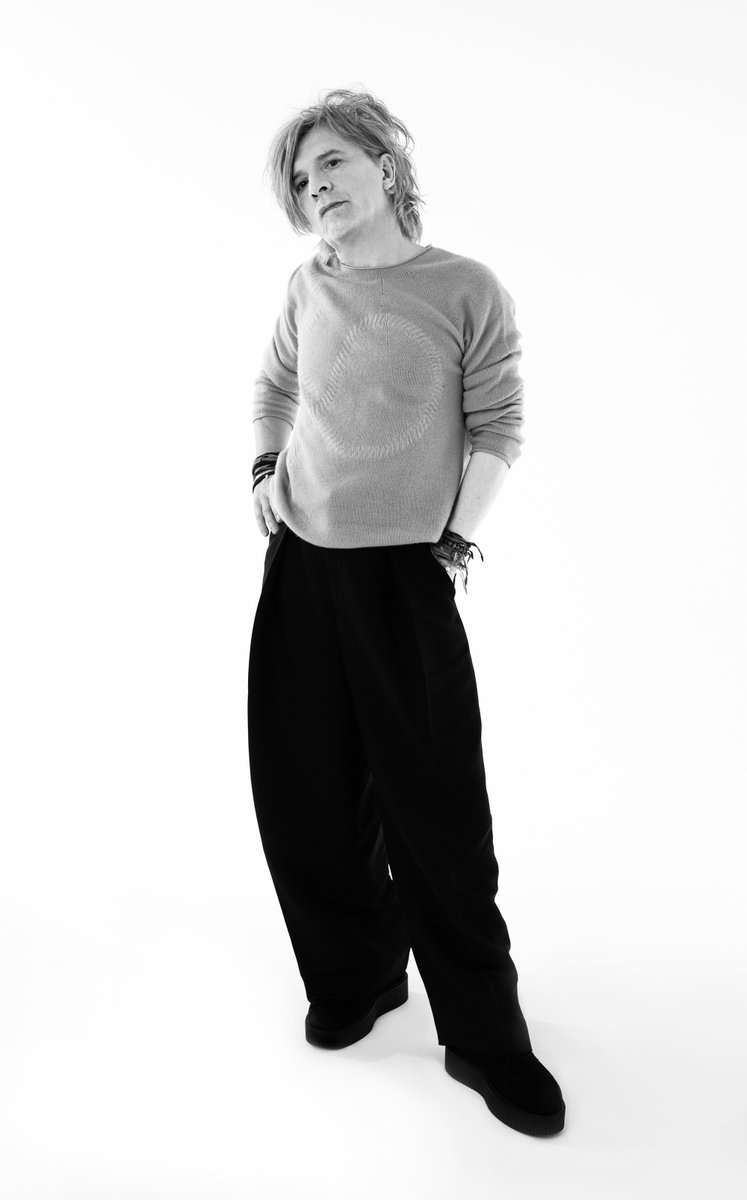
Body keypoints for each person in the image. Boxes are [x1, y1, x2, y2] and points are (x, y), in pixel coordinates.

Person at [246, 87, 566, 1138]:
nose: (317, 189)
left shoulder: (463, 288)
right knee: (304, 795)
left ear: (385, 167)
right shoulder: (309, 288)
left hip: (406, 577)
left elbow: (499, 427)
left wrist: (454, 546)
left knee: (437, 814)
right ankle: (360, 976)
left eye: (333, 164)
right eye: (302, 181)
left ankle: (484, 1037)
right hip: (302, 570)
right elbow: (275, 388)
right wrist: (263, 472)